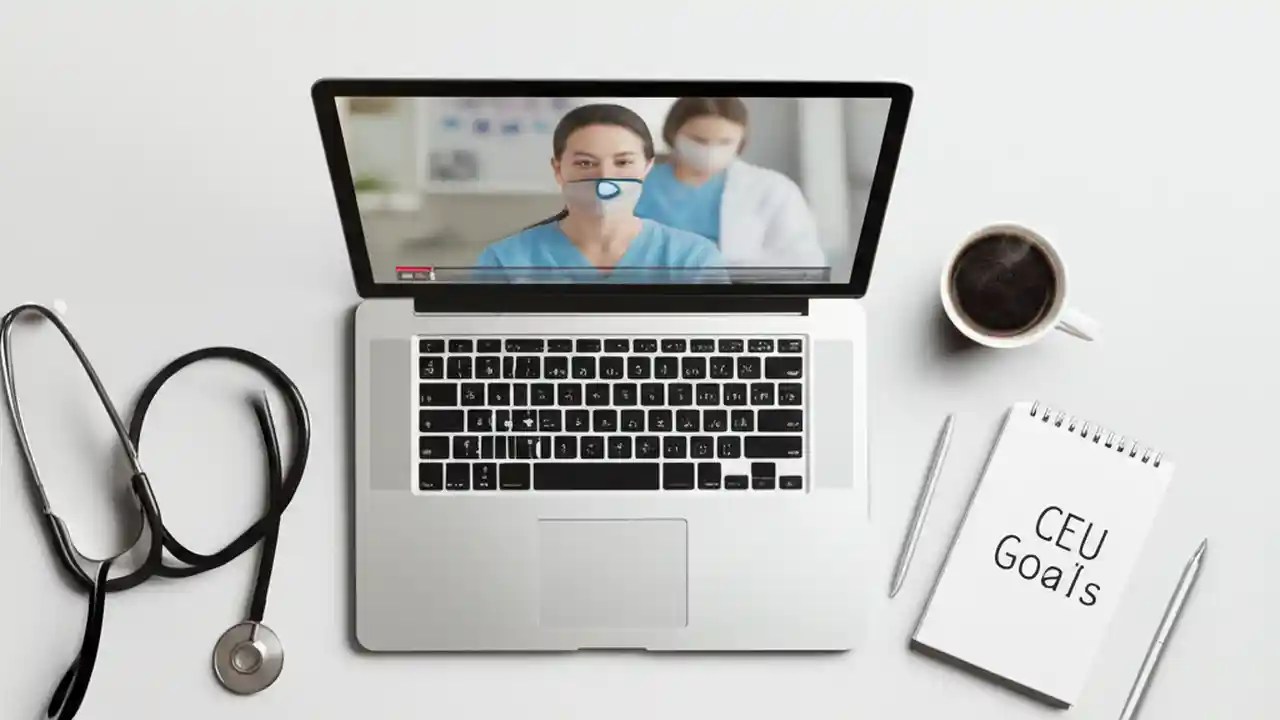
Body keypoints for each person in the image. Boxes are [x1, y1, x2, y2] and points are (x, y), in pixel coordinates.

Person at [476, 103, 725, 283]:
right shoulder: (505, 261)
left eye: (623, 162)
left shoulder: (692, 258)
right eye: (585, 163)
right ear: (558, 169)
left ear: (647, 168)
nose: (605, 177)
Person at [634, 97, 826, 268]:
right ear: (672, 132)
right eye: (699, 140)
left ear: (741, 142)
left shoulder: (772, 189)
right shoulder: (639, 184)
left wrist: (723, 271)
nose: (710, 151)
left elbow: (804, 263)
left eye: (725, 142)